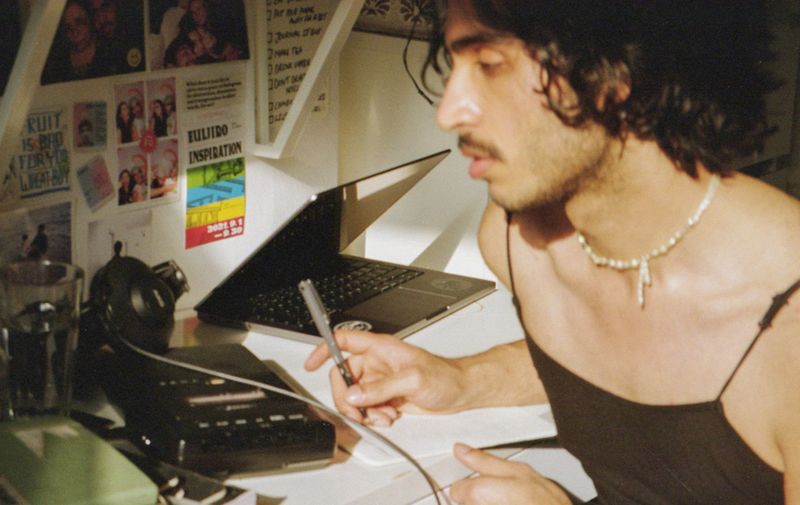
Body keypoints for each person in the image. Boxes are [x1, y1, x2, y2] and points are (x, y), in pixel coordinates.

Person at [305, 1, 800, 504]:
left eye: (490, 65)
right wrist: (461, 379)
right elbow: (627, 365)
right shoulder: (517, 238)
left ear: (612, 74)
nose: (449, 112)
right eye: (455, 67)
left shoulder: (789, 314)